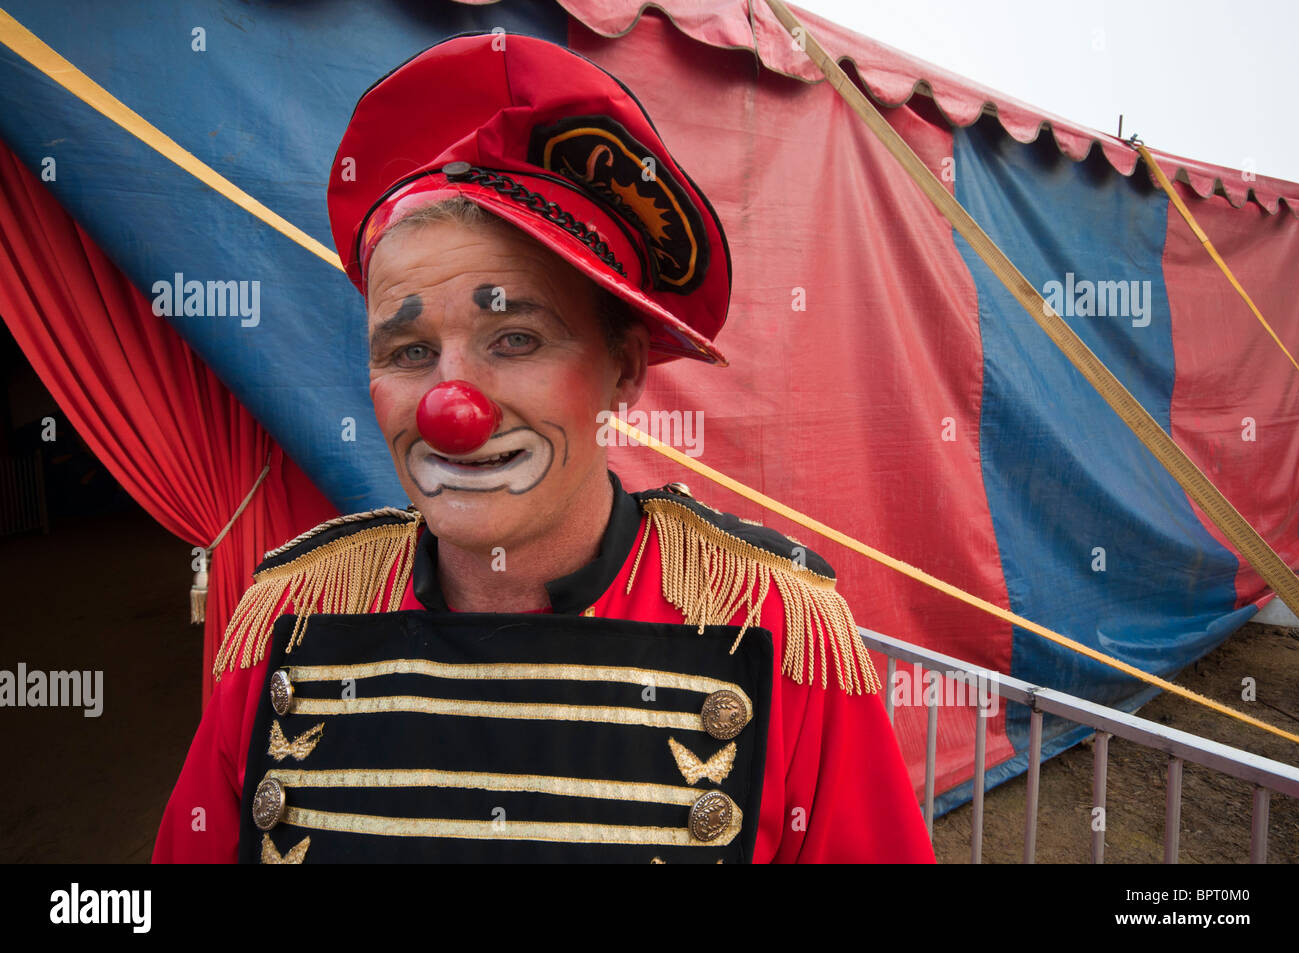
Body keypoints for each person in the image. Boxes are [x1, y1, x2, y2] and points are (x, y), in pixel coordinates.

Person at [152, 31, 934, 864]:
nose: (453, 407)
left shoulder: (776, 635)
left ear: (624, 369)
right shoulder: (286, 620)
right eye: (409, 352)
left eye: (515, 338)